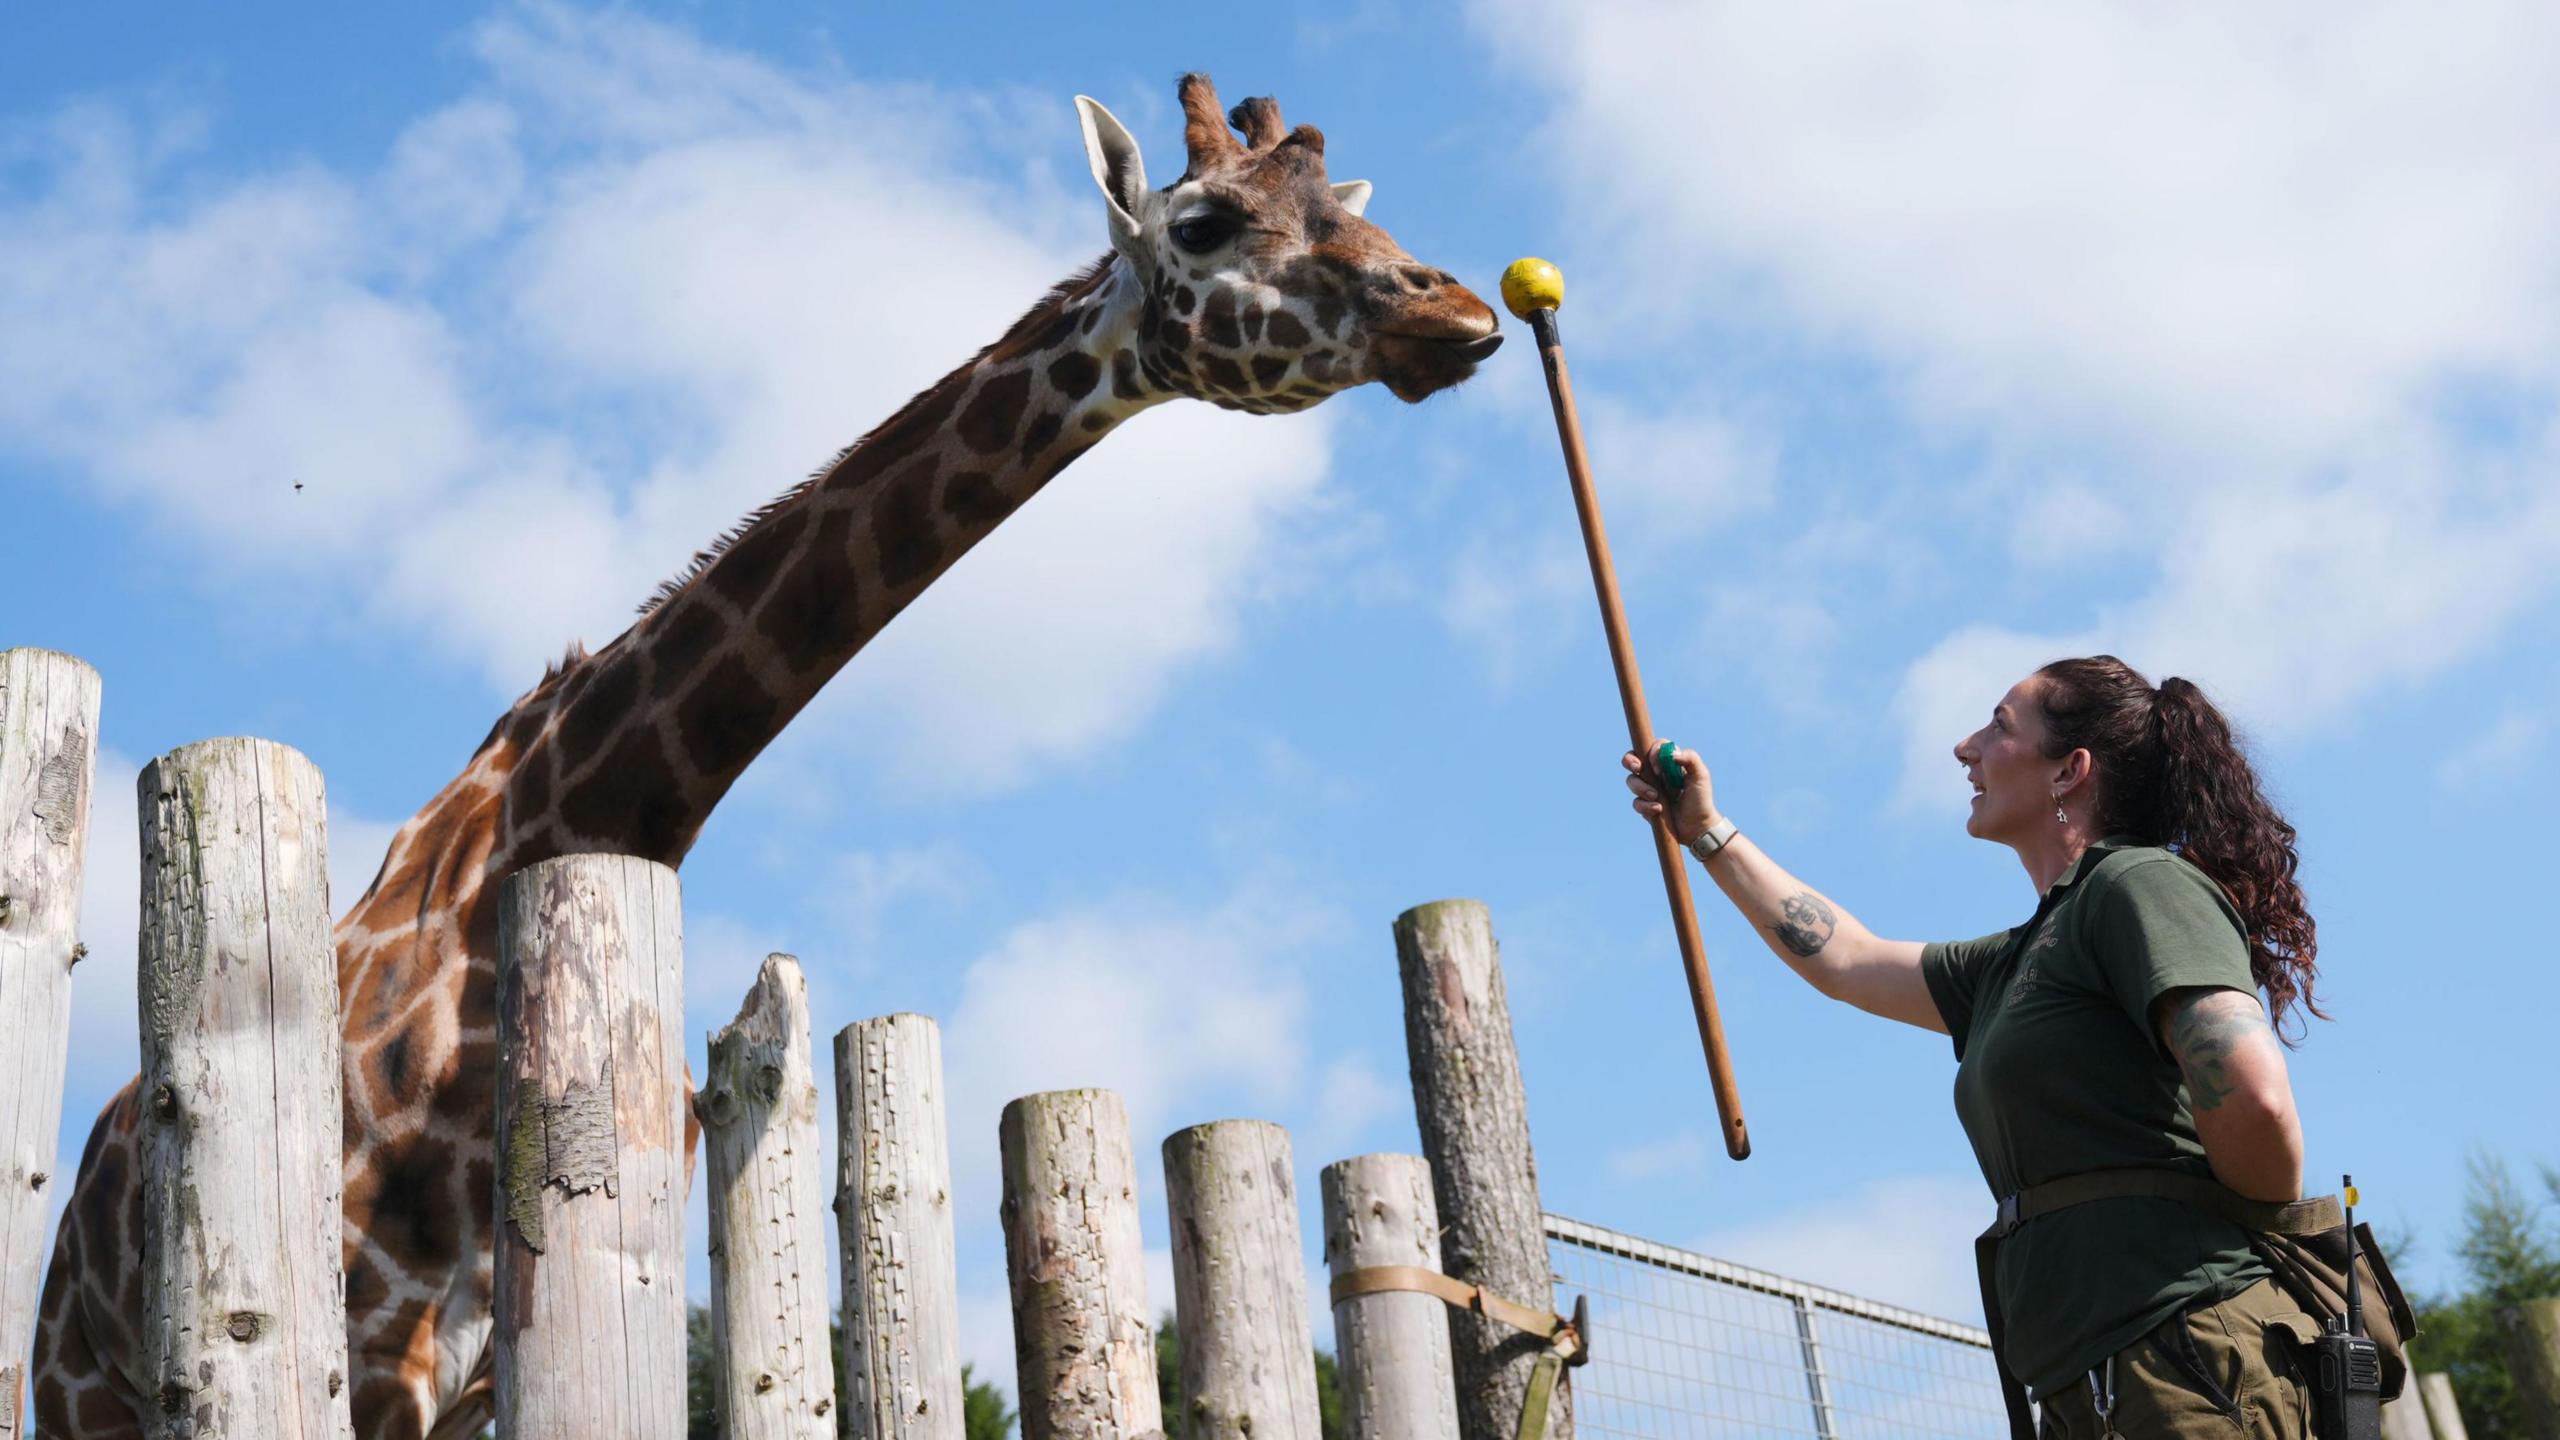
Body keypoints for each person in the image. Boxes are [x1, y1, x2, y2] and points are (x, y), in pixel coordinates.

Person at [1625, 655, 2323, 1439]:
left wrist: (2209, 1246)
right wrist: (1706, 832)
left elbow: (2254, 1095)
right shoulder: (2015, 961)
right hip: (2089, 1377)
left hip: (2186, 1356)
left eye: (1999, 725)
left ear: (2071, 771)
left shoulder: (2137, 885)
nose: (1965, 747)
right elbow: (1846, 959)